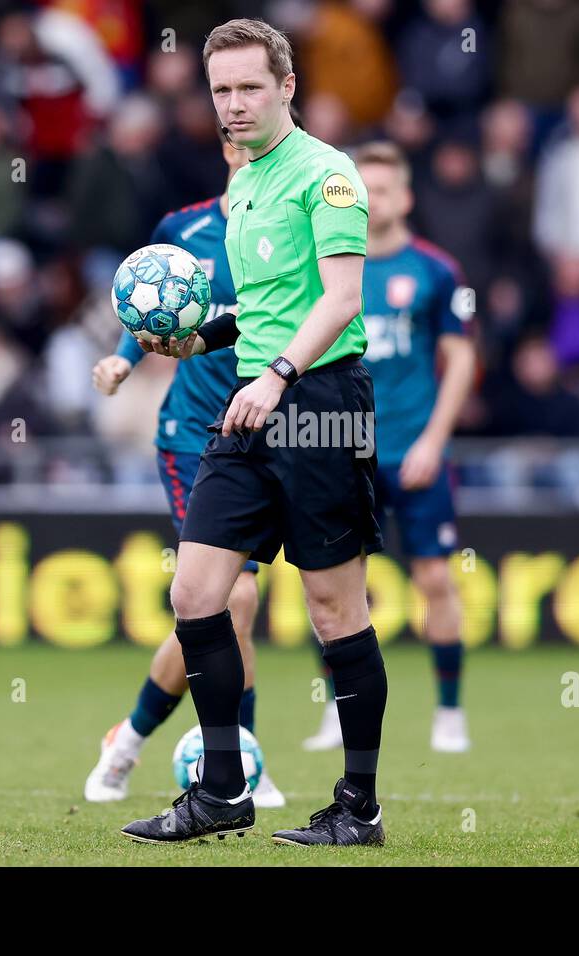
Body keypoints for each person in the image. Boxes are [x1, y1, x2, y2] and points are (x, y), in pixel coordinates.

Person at [119, 18, 386, 847]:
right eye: (221, 91)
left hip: (323, 402)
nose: (232, 105)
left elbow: (339, 301)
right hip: (252, 401)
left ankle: (358, 806)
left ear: (286, 87)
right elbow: (263, 316)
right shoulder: (244, 187)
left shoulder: (329, 175)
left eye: (248, 88)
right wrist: (196, 341)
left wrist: (280, 376)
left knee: (333, 609)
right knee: (195, 596)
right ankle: (223, 790)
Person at [83, 138, 285, 809]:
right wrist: (122, 359)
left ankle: (141, 739)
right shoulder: (184, 228)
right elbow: (149, 302)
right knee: (236, 600)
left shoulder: (290, 230)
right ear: (229, 150)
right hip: (192, 438)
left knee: (230, 608)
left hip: (262, 431)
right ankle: (167, 747)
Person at [303, 141, 476, 754]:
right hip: (343, 448)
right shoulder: (323, 264)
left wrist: (435, 437)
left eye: (382, 188)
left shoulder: (435, 270)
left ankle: (449, 711)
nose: (371, 198)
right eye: (361, 186)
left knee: (434, 580)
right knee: (336, 586)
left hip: (415, 452)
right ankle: (335, 712)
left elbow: (460, 358)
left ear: (405, 196)